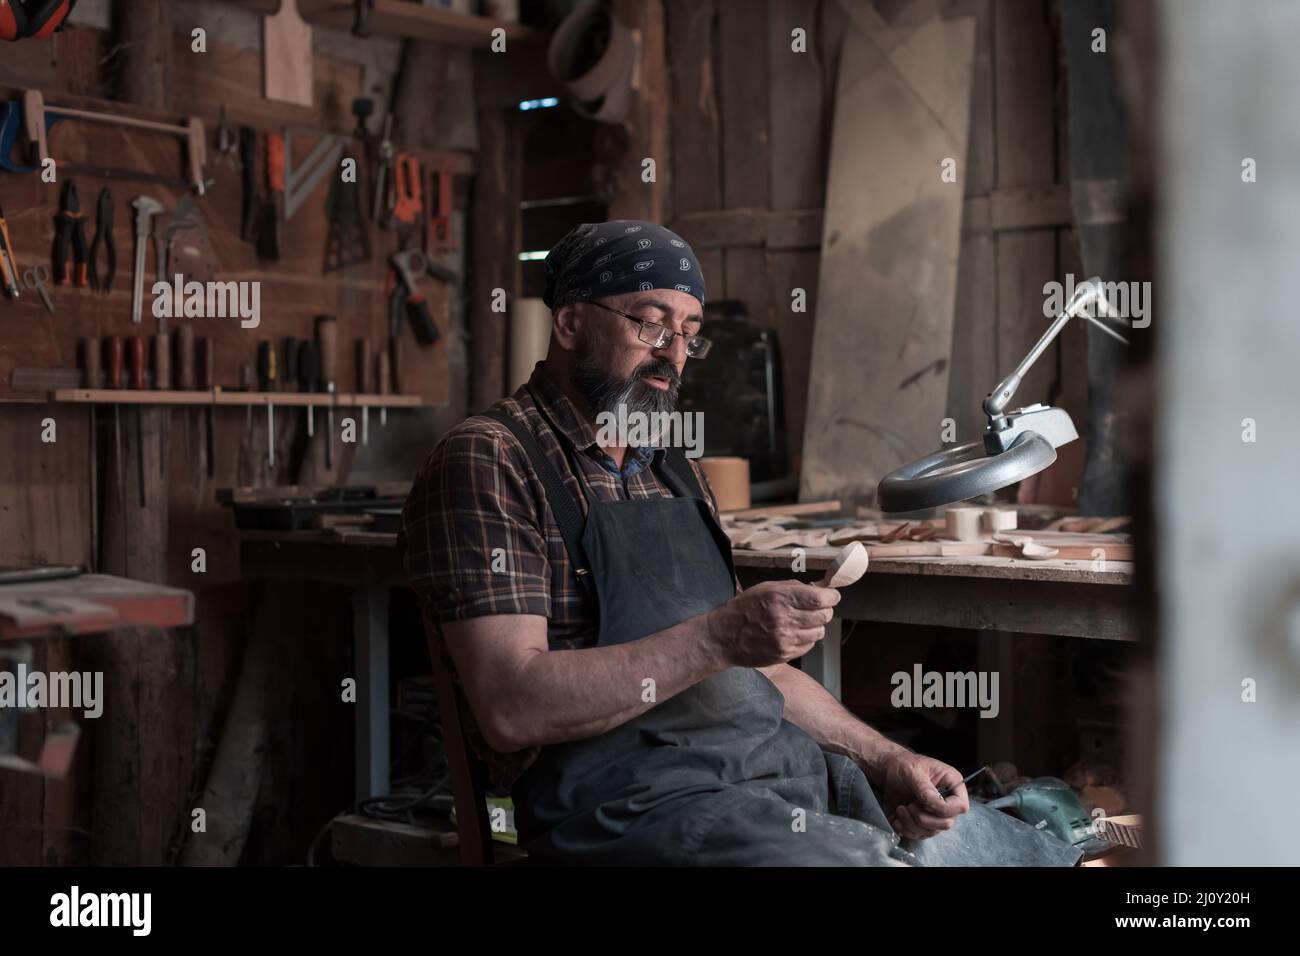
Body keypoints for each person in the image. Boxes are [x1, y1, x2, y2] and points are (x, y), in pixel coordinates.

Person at [400, 220, 1081, 866]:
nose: (671, 353)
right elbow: (511, 706)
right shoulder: (492, 458)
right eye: (650, 321)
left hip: (773, 781)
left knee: (1013, 850)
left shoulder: (671, 465)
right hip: (628, 812)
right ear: (572, 320)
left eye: (688, 334)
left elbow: (758, 673)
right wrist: (719, 637)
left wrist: (883, 758)